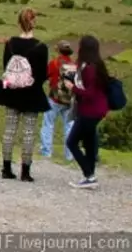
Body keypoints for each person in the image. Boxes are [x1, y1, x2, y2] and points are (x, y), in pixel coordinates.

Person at [0, 8, 49, 182]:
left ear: (18, 23)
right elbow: (41, 75)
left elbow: (6, 68)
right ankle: (25, 171)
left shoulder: (10, 44)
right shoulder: (41, 47)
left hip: (11, 92)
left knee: (9, 130)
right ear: (35, 22)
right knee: (29, 132)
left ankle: (6, 168)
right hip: (32, 94)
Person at [66, 35, 110, 189]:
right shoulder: (98, 65)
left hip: (89, 112)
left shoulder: (89, 68)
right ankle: (90, 176)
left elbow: (90, 93)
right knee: (90, 144)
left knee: (71, 142)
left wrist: (73, 88)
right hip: (98, 111)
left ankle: (89, 175)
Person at [40, 41, 76, 162]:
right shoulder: (74, 65)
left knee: (48, 124)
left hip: (54, 98)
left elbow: (43, 76)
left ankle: (46, 152)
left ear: (58, 50)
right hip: (69, 100)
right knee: (69, 127)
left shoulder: (54, 63)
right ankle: (69, 155)